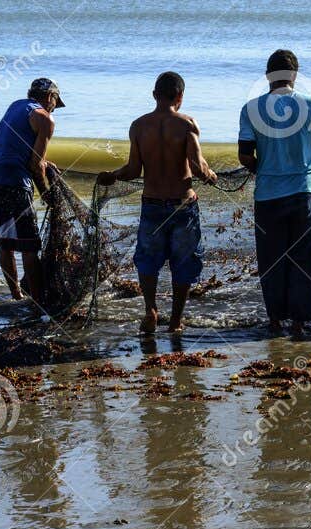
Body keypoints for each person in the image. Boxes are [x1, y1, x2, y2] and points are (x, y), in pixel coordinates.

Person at [97, 71, 219, 334]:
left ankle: (150, 309)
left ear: (155, 95)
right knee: (184, 263)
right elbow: (198, 167)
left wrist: (113, 175)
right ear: (180, 96)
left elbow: (132, 170)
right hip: (182, 206)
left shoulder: (139, 126)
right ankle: (175, 320)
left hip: (152, 204)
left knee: (147, 260)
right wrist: (210, 175)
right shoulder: (187, 124)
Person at [239, 49, 311, 337]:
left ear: (269, 77)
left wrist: (263, 169)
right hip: (305, 192)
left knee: (271, 259)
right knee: (303, 258)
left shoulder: (251, 109)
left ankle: (275, 320)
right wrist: (305, 171)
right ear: (294, 77)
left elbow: (244, 154)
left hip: (268, 195)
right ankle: (300, 323)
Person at [0, 77, 63, 304]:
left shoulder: (16, 106)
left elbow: (22, 151)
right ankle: (37, 303)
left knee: (6, 243)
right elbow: (33, 165)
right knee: (29, 246)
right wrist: (46, 194)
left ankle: (16, 295)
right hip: (15, 182)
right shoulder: (46, 119)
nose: (55, 107)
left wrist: (46, 163)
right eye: (56, 102)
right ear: (49, 98)